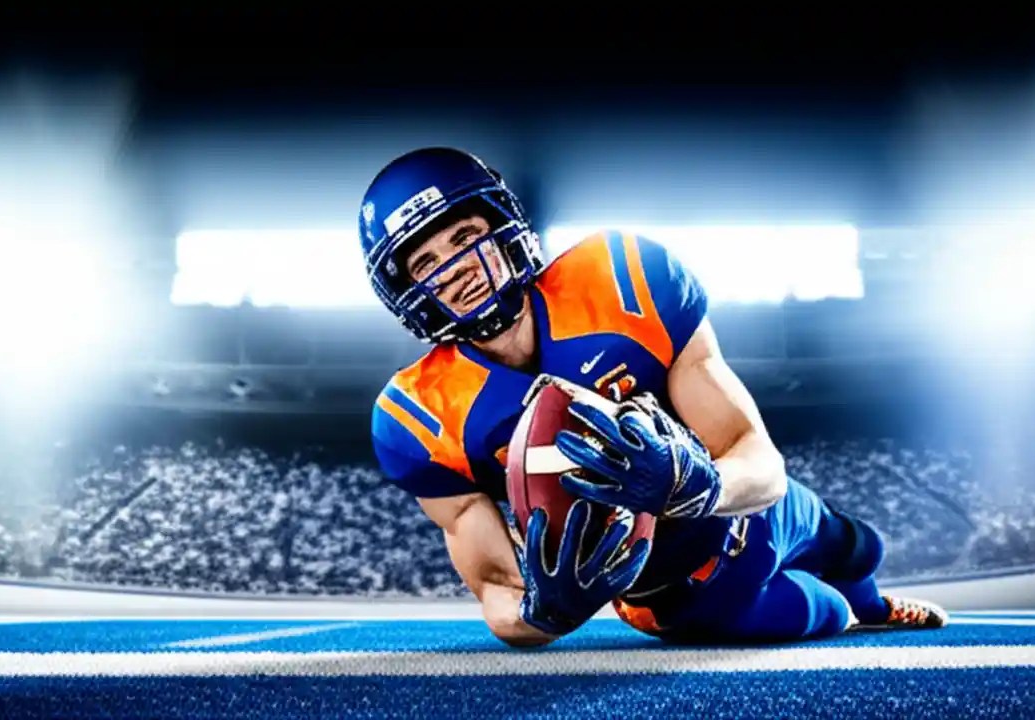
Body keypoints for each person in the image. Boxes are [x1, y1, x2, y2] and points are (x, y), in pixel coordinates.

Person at [359, 146, 947, 647]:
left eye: (465, 236)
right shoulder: (418, 416)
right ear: (407, 290)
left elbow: (759, 460)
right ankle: (852, 614)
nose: (456, 268)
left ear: (502, 226)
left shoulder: (621, 279)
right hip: (682, 594)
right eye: (427, 262)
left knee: (856, 546)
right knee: (821, 614)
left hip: (750, 508)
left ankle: (872, 603)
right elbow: (498, 593)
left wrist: (700, 486)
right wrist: (548, 612)